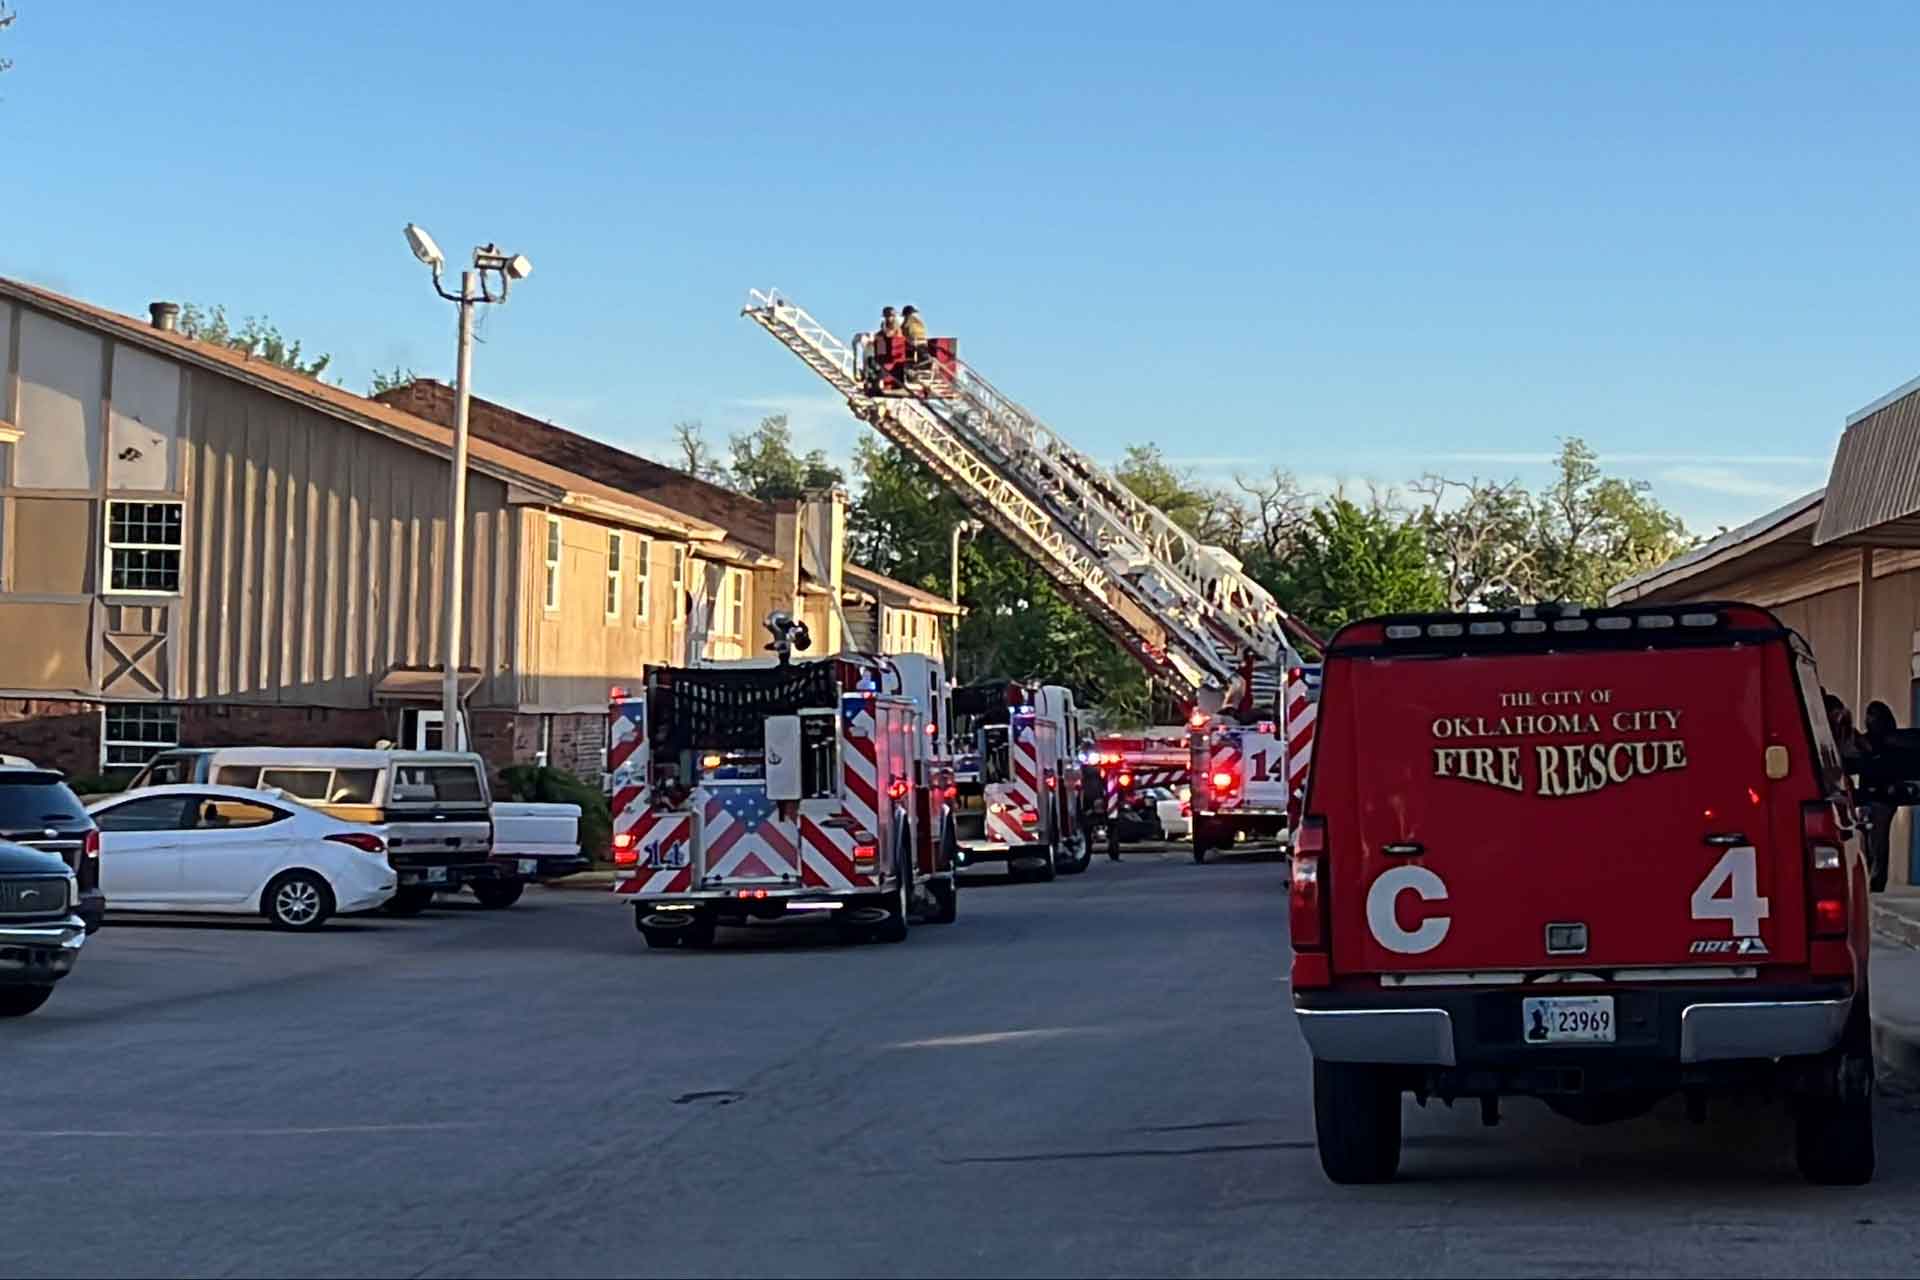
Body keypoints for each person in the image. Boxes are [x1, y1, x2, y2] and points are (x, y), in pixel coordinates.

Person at [1863, 700, 1900, 893]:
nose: (1868, 719)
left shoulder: (1889, 741)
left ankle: (1876, 881)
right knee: (1869, 841)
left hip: (1882, 798)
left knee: (1878, 840)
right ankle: (1871, 878)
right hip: (1868, 797)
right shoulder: (1868, 740)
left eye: (1872, 715)